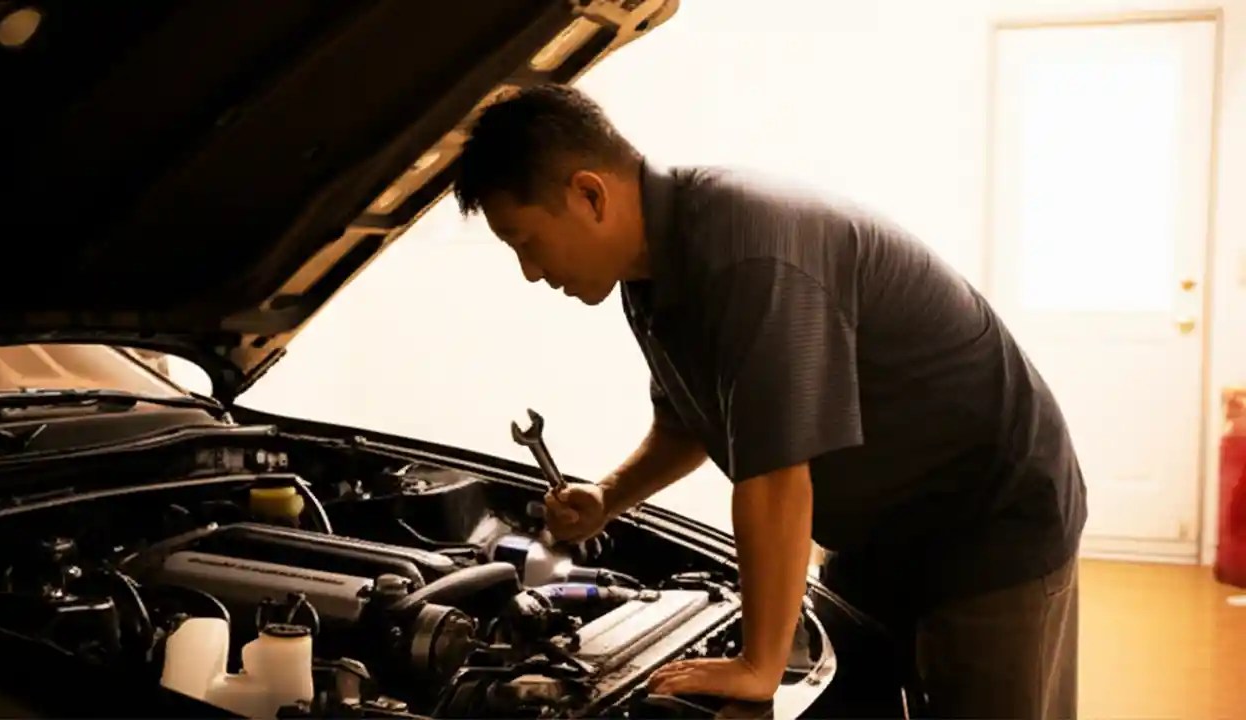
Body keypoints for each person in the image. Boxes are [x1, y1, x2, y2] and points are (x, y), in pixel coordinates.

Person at [451, 83, 1087, 719]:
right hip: (877, 529)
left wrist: (759, 665)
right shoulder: (651, 279)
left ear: (590, 195)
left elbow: (777, 478)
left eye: (527, 243)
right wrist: (609, 498)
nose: (530, 271)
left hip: (989, 516)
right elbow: (689, 425)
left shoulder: (749, 255)